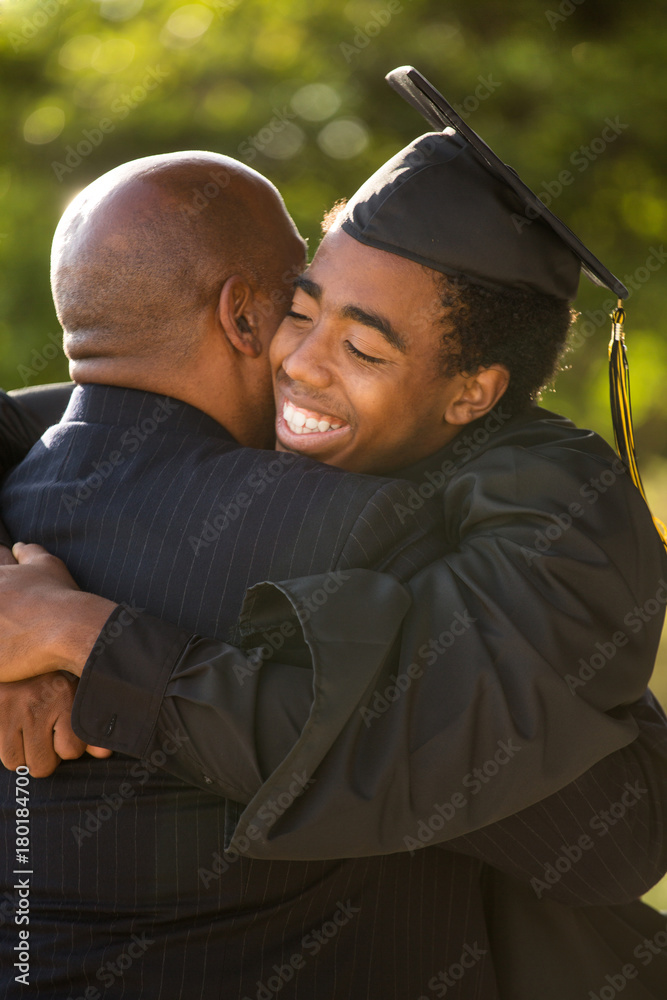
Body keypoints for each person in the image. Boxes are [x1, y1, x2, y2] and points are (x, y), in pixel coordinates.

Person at [0, 79, 666, 996]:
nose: (299, 362)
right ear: (246, 313)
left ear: (471, 390)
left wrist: (73, 631)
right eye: (301, 310)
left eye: (364, 347)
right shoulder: (369, 532)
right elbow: (607, 841)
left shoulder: (25, 493)